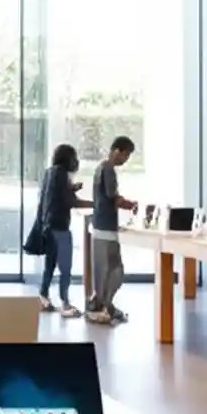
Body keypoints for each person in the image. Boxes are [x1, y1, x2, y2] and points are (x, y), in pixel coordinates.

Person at [35, 144, 91, 318]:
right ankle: (65, 303)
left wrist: (71, 189)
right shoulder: (61, 174)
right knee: (65, 268)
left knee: (50, 266)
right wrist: (97, 204)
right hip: (60, 226)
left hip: (47, 226)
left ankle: (43, 297)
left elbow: (54, 195)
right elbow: (70, 202)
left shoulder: (49, 172)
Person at [87, 136, 138, 325]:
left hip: (100, 225)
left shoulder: (100, 167)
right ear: (118, 151)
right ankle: (103, 306)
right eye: (126, 155)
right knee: (115, 270)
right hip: (106, 227)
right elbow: (112, 197)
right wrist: (131, 205)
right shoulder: (108, 169)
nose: (126, 160)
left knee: (104, 270)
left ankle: (103, 304)